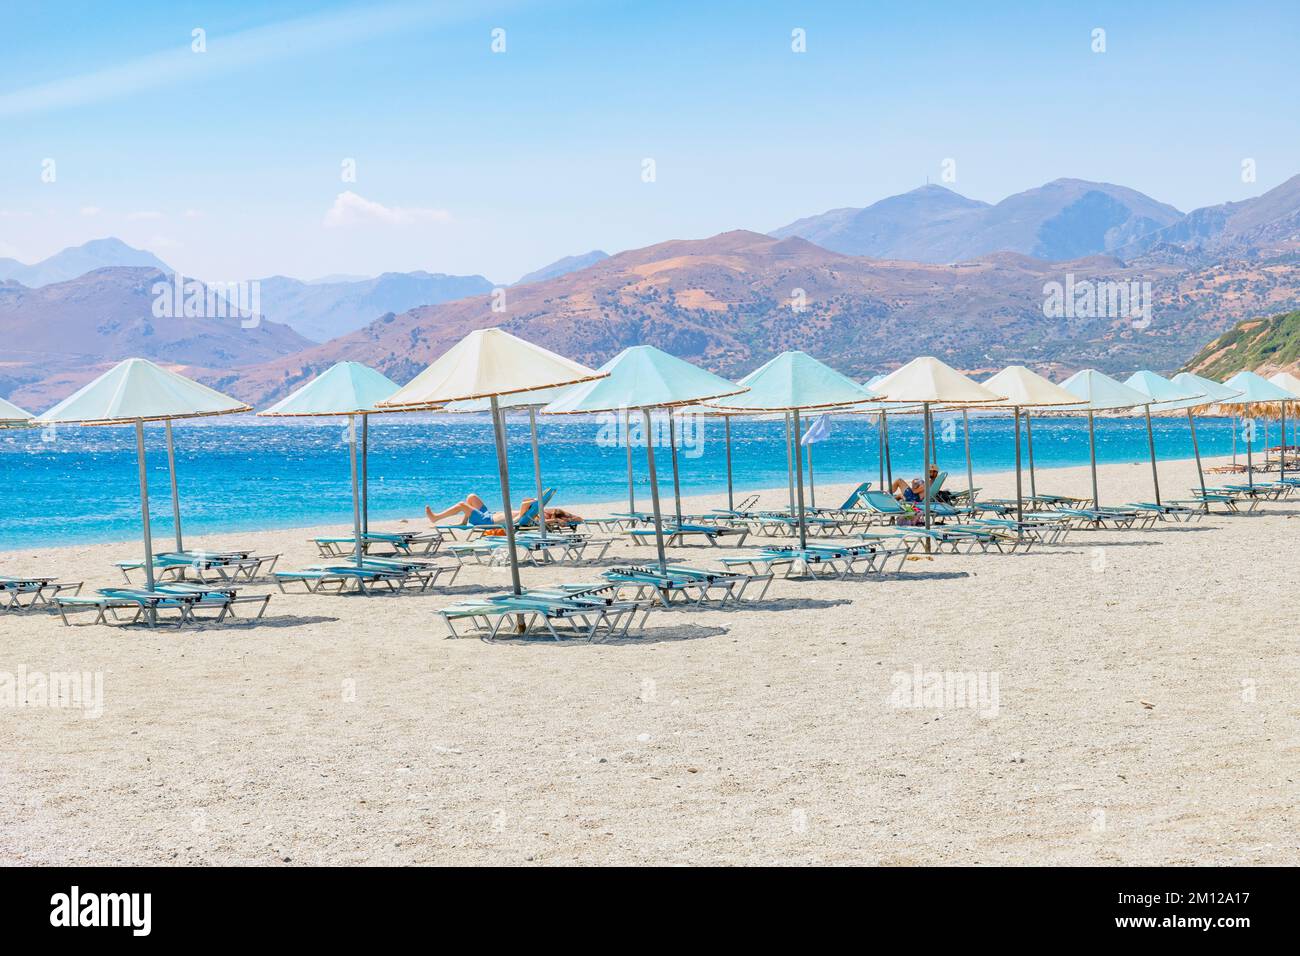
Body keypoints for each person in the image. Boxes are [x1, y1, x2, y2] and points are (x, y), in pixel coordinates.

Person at [425, 494, 534, 528]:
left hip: (485, 520)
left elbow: (524, 503)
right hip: (488, 515)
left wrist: (535, 500)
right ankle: (464, 521)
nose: (526, 499)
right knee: (471, 497)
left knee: (462, 505)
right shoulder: (521, 513)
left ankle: (436, 517)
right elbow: (524, 502)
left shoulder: (521, 515)